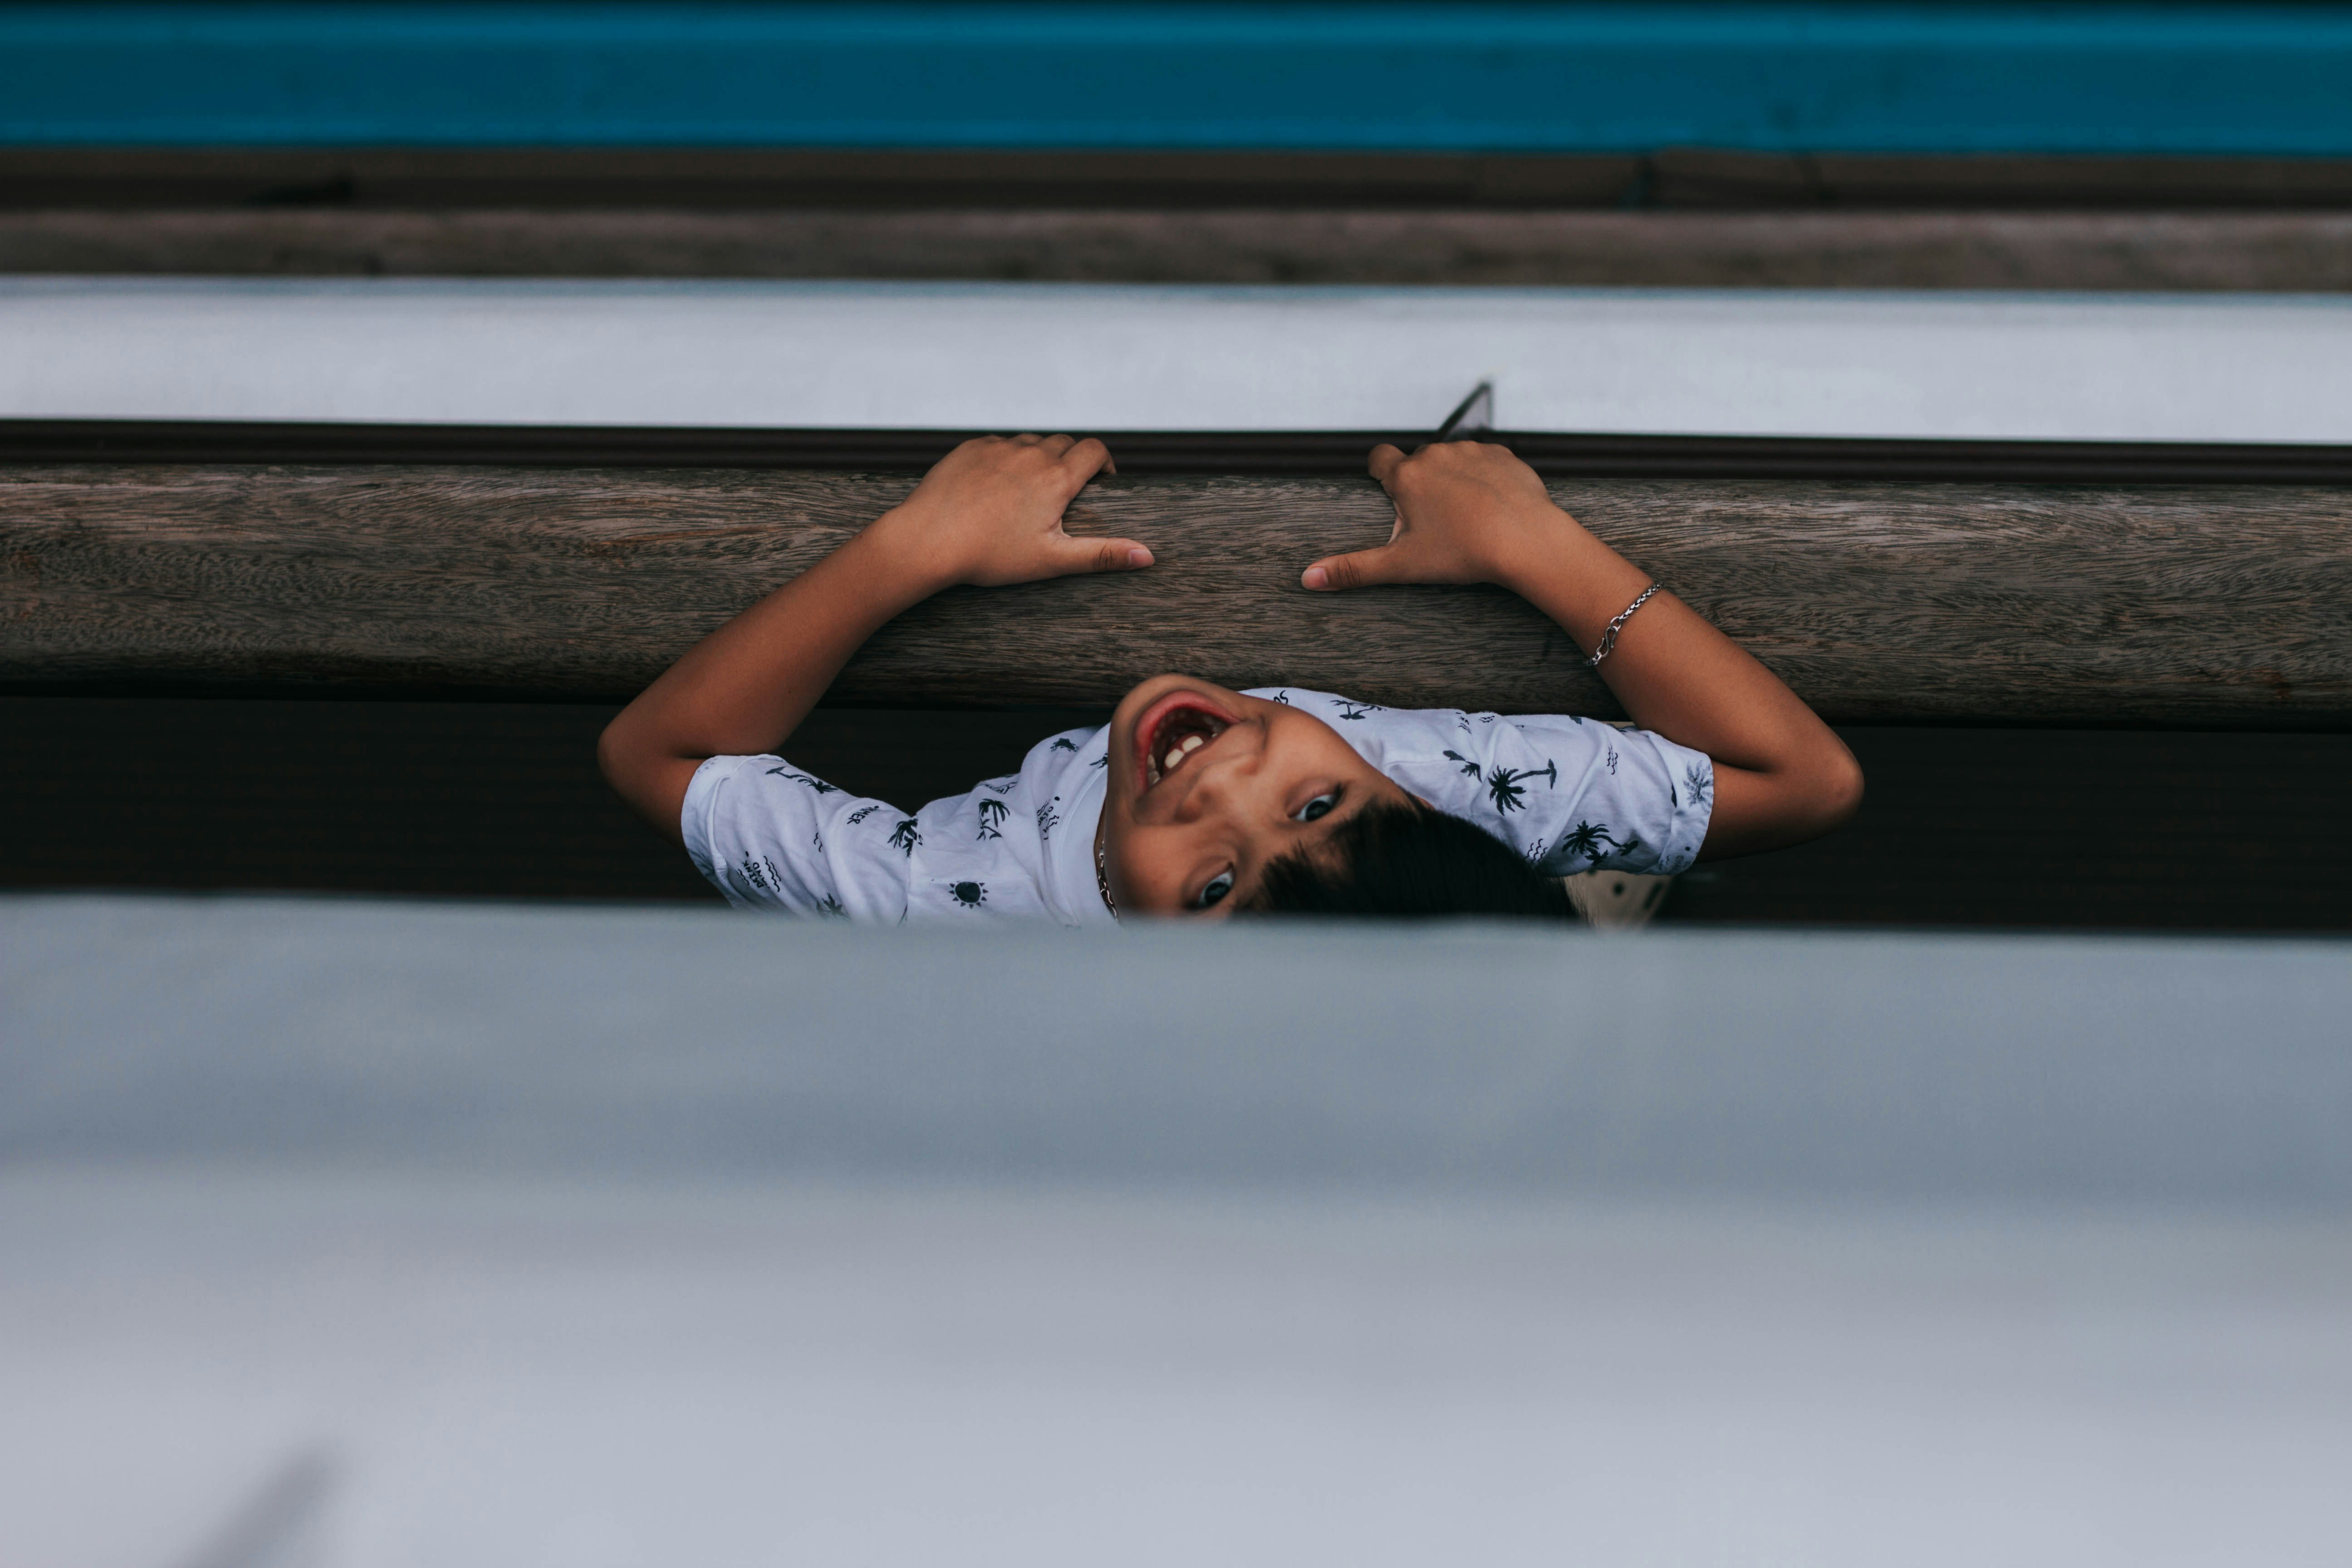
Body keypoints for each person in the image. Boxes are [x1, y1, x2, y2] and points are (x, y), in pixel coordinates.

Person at [599, 434, 1862, 923]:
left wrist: (907, 552)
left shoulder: (957, 915)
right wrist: (1536, 545)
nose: (1227, 797)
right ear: (1420, 809)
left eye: (1210, 890)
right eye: (1317, 806)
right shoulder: (1476, 796)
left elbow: (659, 756)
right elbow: (1804, 781)